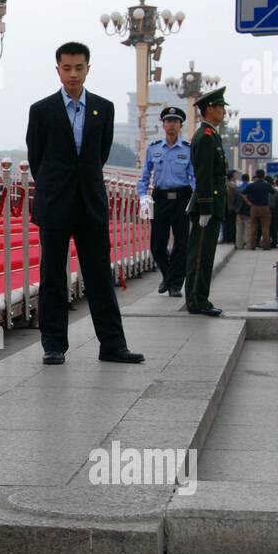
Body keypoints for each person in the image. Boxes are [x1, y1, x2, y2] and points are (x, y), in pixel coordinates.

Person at [26, 42, 144, 364]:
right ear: (58, 70)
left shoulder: (103, 109)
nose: (73, 74)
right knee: (53, 275)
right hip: (55, 204)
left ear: (88, 69)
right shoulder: (42, 110)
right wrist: (57, 187)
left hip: (90, 203)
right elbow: (37, 158)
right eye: (67, 68)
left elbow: (99, 155)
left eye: (79, 68)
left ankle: (113, 345)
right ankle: (53, 344)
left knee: (99, 276)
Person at [137, 105, 195, 297]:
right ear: (163, 125)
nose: (171, 125)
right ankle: (168, 275)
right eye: (168, 121)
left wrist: (196, 198)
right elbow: (145, 175)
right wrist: (143, 196)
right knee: (157, 244)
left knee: (181, 242)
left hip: (182, 198)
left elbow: (193, 176)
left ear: (180, 126)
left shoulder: (188, 149)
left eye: (175, 122)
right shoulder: (153, 149)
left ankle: (175, 284)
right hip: (160, 198)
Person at [183, 88, 230, 316]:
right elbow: (204, 175)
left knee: (206, 254)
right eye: (220, 107)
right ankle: (196, 300)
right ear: (209, 109)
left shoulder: (212, 135)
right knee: (200, 255)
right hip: (206, 205)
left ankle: (200, 297)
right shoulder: (205, 137)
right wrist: (206, 207)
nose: (223, 111)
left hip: (212, 203)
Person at [240, 170, 274, 250]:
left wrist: (249, 203)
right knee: (265, 228)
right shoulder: (267, 185)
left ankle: (252, 246)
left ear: (256, 175)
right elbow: (273, 193)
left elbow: (242, 193)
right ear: (263, 176)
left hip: (254, 208)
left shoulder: (252, 185)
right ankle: (266, 246)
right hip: (265, 208)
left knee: (253, 228)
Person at [223, 169, 240, 247]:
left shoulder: (225, 184)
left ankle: (226, 238)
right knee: (232, 224)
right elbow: (237, 198)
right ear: (232, 176)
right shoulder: (232, 186)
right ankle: (231, 239)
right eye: (236, 174)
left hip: (225, 208)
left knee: (225, 224)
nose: (237, 176)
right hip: (231, 207)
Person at [235, 172, 251, 249]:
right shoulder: (250, 188)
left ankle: (239, 245)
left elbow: (236, 201)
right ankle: (248, 245)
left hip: (239, 212)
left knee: (239, 230)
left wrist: (238, 212)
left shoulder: (238, 188)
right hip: (248, 212)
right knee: (248, 229)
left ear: (242, 179)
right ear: (248, 179)